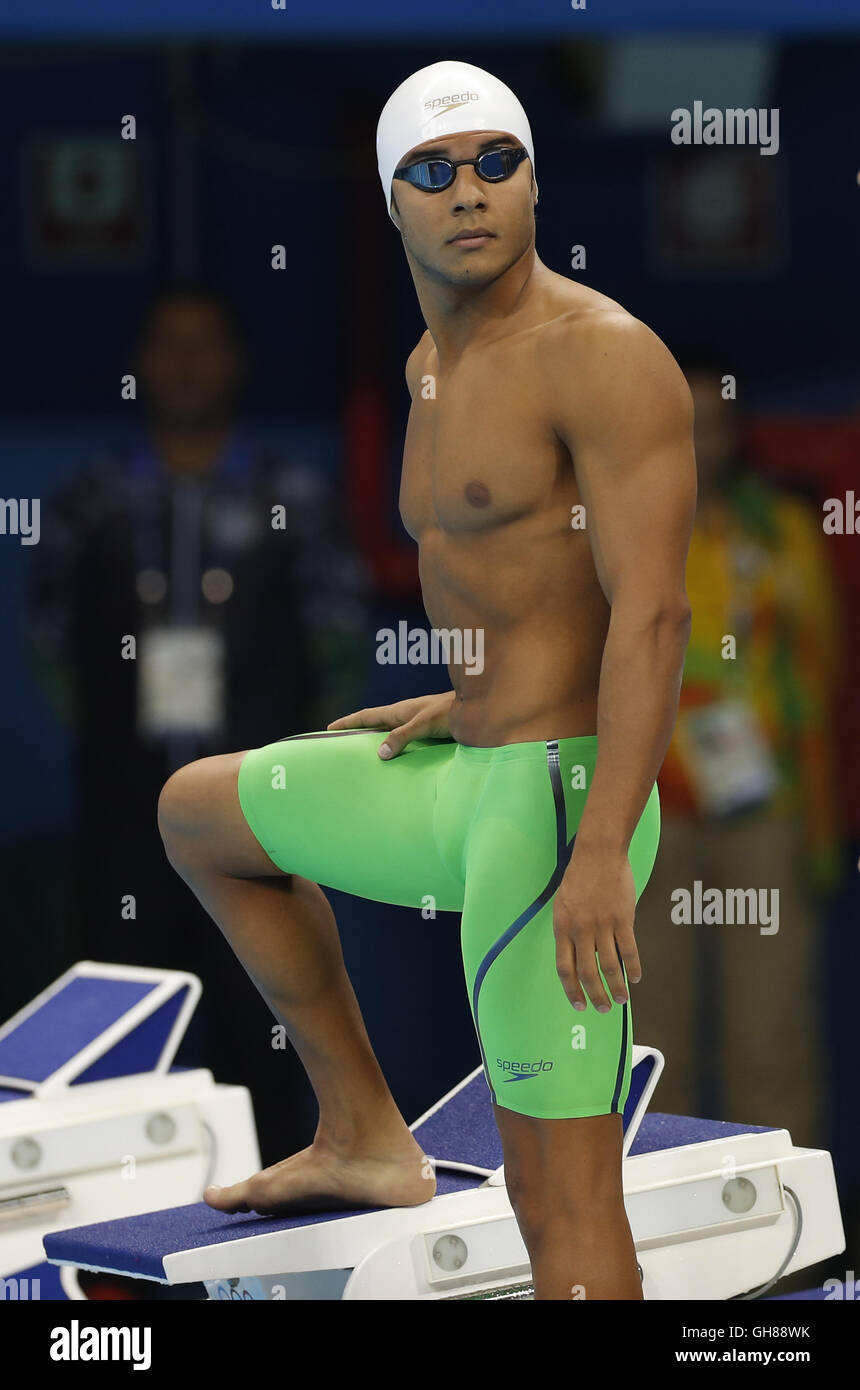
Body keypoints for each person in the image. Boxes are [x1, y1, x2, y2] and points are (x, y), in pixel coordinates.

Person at [157, 60, 696, 1301]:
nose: (469, 192)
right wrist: (470, 697)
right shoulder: (425, 368)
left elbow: (651, 613)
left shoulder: (602, 354)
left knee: (557, 1201)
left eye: (495, 162)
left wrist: (602, 843)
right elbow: (524, 585)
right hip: (464, 776)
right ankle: (362, 1134)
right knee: (201, 812)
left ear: (534, 181)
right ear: (391, 201)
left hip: (557, 805)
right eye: (434, 171)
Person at [25, 286, 369, 1161]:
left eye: (204, 344)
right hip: (125, 826)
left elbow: (336, 642)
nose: (184, 364)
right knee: (121, 1047)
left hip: (261, 821)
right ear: (139, 364)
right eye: (166, 345)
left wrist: (304, 774)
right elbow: (49, 644)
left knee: (269, 1040)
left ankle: (280, 1234)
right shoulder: (89, 501)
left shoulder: (291, 494)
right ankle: (123, 1259)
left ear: (237, 362)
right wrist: (121, 757)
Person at [632, 354, 841, 1146]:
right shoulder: (618, 522)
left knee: (773, 1027)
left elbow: (822, 671)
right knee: (655, 1035)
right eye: (684, 425)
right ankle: (655, 1224)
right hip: (651, 813)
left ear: (739, 431)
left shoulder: (784, 530)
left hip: (762, 811)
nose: (701, 441)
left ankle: (786, 1240)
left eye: (716, 422)